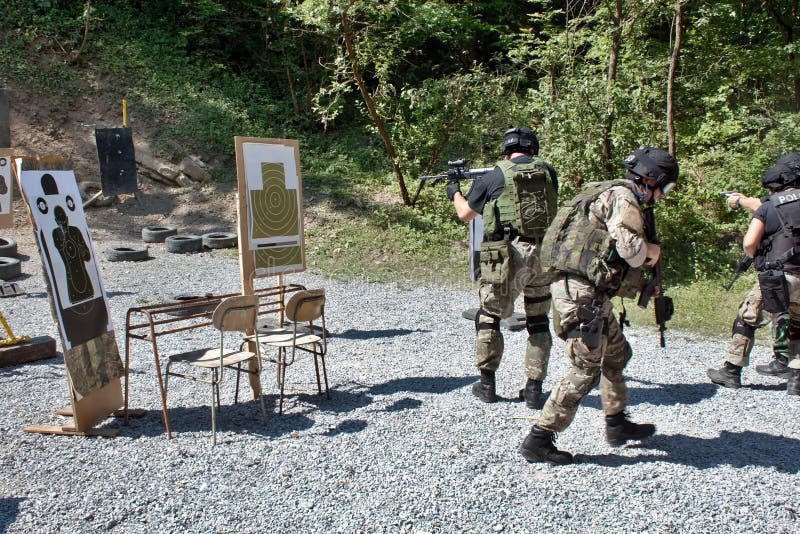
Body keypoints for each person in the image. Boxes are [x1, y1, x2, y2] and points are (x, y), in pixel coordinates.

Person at [519, 146, 679, 465]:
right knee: (586, 368)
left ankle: (616, 422)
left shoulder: (611, 191)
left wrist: (644, 289)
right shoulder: (624, 198)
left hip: (588, 292)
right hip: (579, 297)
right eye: (666, 188)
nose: (663, 196)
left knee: (618, 353)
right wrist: (652, 252)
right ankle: (539, 437)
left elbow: (606, 258)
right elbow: (631, 250)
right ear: (650, 181)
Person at [447, 127, 558, 409]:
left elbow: (465, 213)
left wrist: (454, 192)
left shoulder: (495, 174)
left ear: (506, 151)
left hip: (508, 255)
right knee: (538, 320)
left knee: (489, 317)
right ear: (533, 149)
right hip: (544, 254)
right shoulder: (548, 172)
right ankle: (534, 390)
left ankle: (487, 385)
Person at [707, 153, 800, 395]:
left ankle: (731, 371)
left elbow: (750, 243)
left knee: (747, 317)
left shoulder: (771, 205)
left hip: (778, 276)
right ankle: (797, 379)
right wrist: (741, 201)